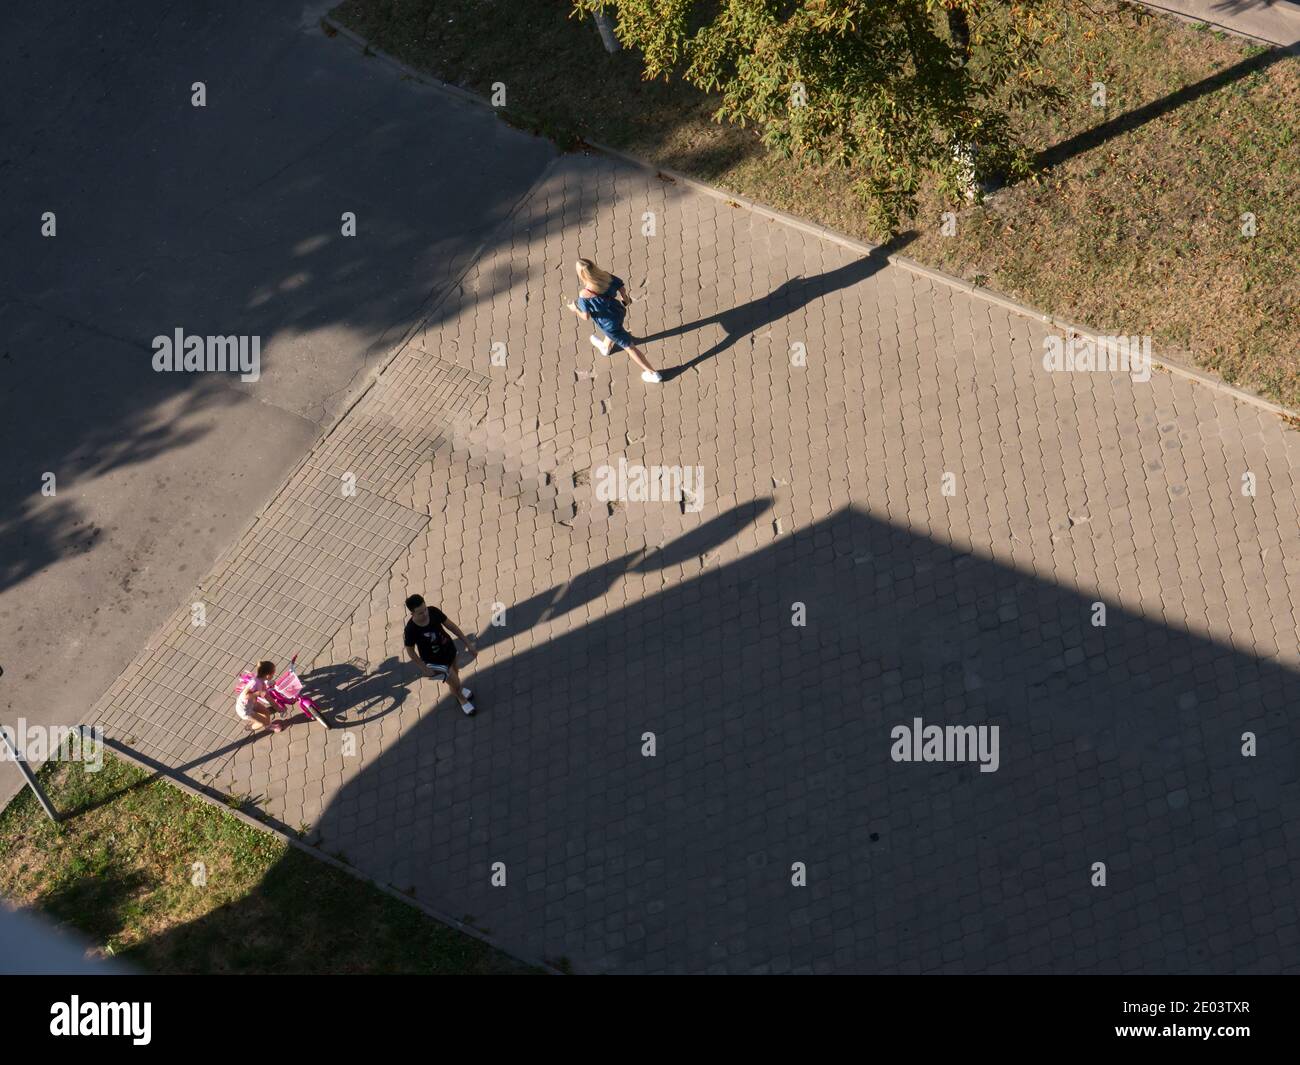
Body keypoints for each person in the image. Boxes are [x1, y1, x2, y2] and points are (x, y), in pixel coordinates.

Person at [566, 258, 664, 384]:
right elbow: (621, 287)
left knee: (630, 347)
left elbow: (586, 317)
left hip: (608, 324)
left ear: (581, 275)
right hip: (618, 311)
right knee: (614, 331)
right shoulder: (605, 276)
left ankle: (653, 373)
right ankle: (606, 348)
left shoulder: (584, 295)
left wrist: (575, 309)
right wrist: (625, 299)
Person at [403, 594, 478, 714]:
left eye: (425, 609)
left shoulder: (433, 611)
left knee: (455, 675)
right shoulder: (410, 630)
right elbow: (410, 651)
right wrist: (423, 667)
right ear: (412, 614)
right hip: (435, 662)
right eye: (421, 613)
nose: (425, 614)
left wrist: (468, 643)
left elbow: (451, 626)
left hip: (450, 650)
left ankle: (458, 689)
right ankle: (461, 699)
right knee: (455, 681)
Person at [236, 660, 282, 734]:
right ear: (267, 675)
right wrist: (258, 693)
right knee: (261, 722)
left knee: (266, 712)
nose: (273, 676)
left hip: (252, 703)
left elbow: (267, 696)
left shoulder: (261, 681)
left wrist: (277, 707)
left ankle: (267, 724)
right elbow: (246, 696)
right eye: (272, 674)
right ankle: (253, 727)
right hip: (245, 710)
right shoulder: (254, 683)